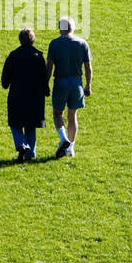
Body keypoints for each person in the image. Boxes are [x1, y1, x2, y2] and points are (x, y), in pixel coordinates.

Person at [46, 15, 92, 159]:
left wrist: (45, 84)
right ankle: (71, 147)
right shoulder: (82, 43)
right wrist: (88, 85)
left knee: (57, 114)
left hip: (61, 82)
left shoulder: (54, 44)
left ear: (61, 28)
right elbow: (88, 67)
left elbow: (49, 67)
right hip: (76, 83)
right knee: (72, 116)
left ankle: (63, 139)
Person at [1, 28, 49, 162]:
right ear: (33, 40)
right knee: (30, 125)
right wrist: (46, 91)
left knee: (15, 124)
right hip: (35, 97)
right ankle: (30, 153)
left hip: (17, 95)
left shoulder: (13, 55)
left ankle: (21, 144)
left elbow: (5, 80)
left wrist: (6, 84)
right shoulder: (38, 56)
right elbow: (44, 77)